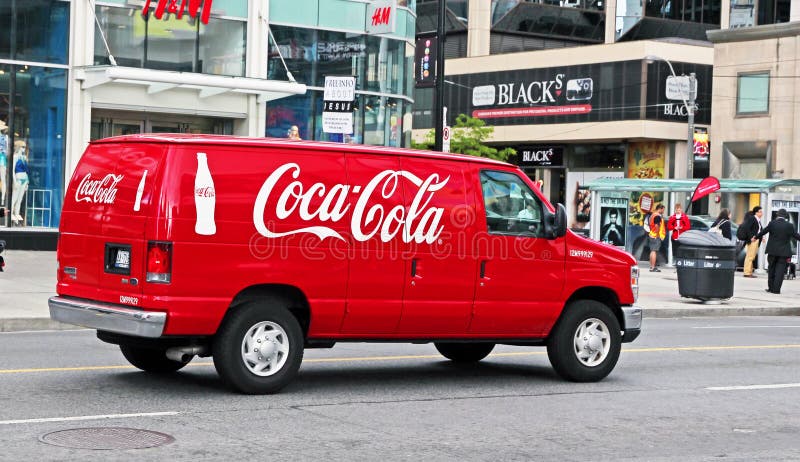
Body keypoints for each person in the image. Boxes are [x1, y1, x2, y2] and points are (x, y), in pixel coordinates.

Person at [755, 208, 800, 294]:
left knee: (771, 269)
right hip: (783, 253)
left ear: (777, 215)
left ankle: (771, 288)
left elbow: (763, 231)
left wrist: (755, 237)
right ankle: (776, 290)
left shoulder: (772, 223)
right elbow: (796, 235)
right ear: (785, 216)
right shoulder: (789, 225)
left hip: (772, 251)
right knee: (780, 271)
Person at [740, 206, 763, 278]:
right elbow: (747, 228)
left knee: (752, 256)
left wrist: (761, 237)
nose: (762, 213)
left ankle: (749, 271)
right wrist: (751, 237)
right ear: (756, 212)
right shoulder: (752, 219)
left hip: (756, 240)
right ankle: (747, 272)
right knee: (750, 256)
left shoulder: (757, 220)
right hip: (753, 240)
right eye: (760, 212)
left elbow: (758, 230)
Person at [648, 204, 666, 272]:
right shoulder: (657, 216)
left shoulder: (653, 215)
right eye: (663, 209)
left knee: (652, 251)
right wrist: (657, 235)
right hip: (655, 235)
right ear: (660, 209)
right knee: (654, 251)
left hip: (652, 234)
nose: (663, 211)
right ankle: (653, 267)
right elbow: (656, 226)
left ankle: (652, 266)